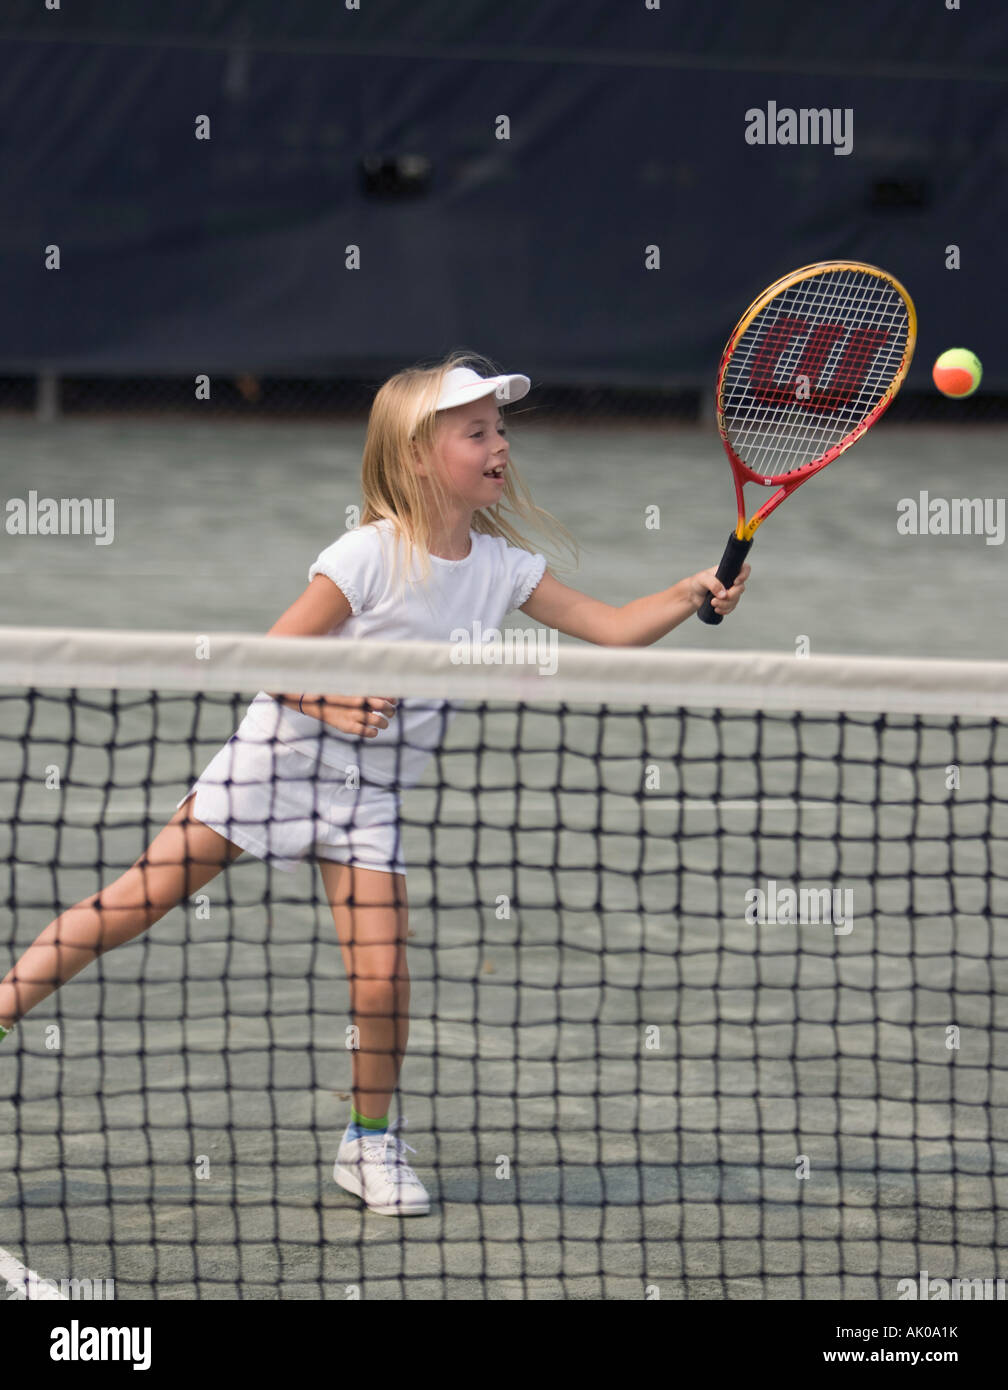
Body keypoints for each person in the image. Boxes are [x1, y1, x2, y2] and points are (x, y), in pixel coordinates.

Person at [0, 352, 749, 1216]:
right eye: (475, 431)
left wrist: (691, 592)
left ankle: (367, 1142)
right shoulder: (364, 554)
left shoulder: (502, 568)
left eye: (500, 428)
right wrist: (332, 694)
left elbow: (614, 630)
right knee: (126, 907)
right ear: (418, 456)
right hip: (274, 766)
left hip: (366, 799)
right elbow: (272, 656)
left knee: (385, 979)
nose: (498, 443)